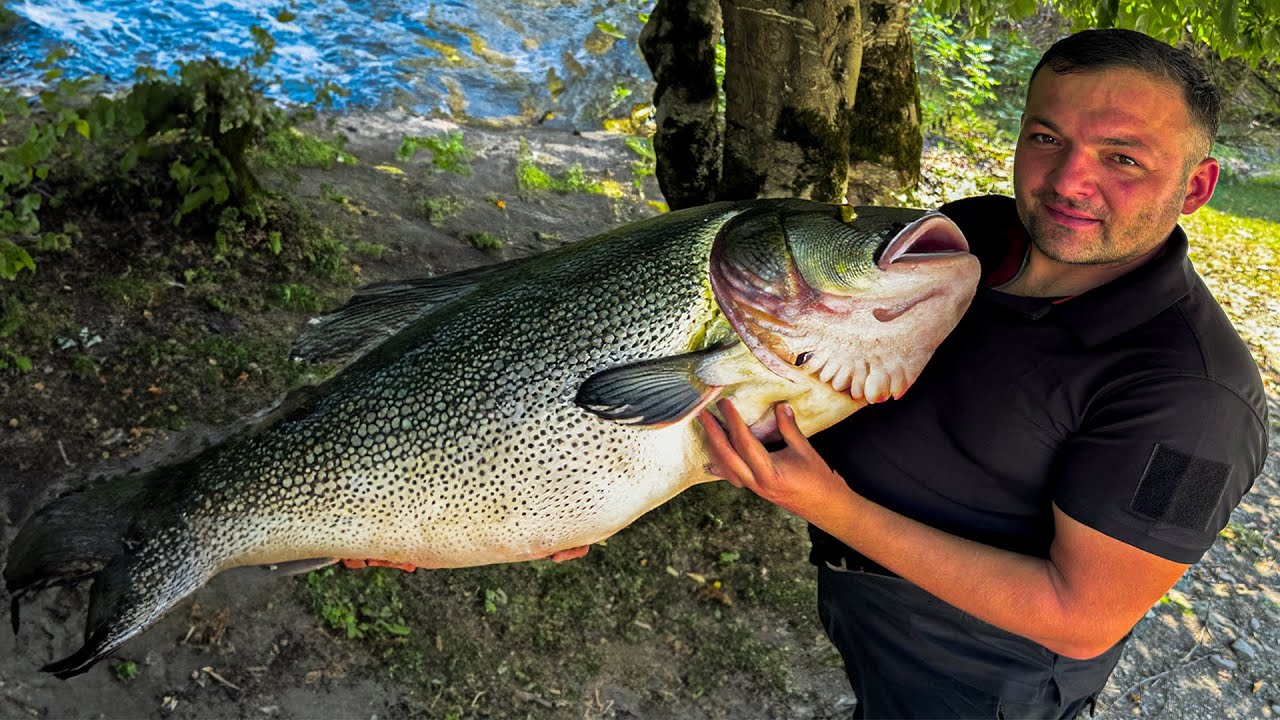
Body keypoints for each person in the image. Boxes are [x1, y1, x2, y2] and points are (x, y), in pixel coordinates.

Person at [698, 28, 1269, 720]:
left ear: (1196, 186)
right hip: (860, 591)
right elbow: (780, 335)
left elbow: (1080, 616)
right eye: (1047, 138)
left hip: (980, 668)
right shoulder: (973, 235)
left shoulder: (1199, 399)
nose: (1068, 182)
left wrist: (830, 507)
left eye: (1122, 157)